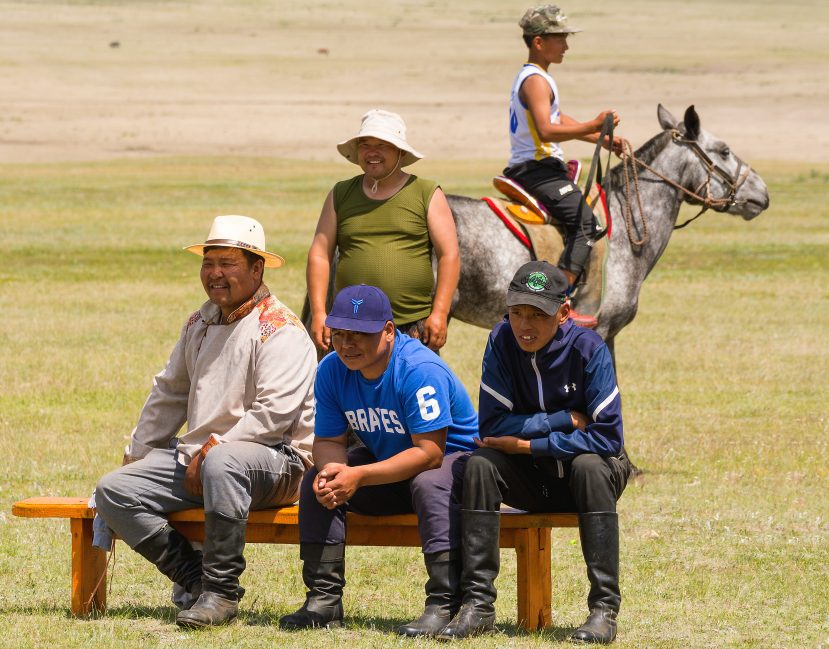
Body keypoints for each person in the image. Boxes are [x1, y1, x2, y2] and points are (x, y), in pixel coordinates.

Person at [93, 215, 316, 630]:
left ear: (256, 268)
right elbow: (170, 393)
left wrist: (214, 450)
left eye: (228, 263)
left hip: (279, 462)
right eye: (209, 262)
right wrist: (138, 454)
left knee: (223, 464)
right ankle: (196, 580)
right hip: (201, 459)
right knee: (114, 490)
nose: (215, 273)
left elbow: (274, 415)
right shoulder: (200, 322)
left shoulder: (280, 328)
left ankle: (222, 592)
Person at [439, 261, 630, 644]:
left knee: (591, 466)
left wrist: (529, 444)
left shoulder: (589, 348)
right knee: (479, 464)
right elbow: (492, 427)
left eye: (537, 315)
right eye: (516, 313)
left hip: (586, 479)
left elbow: (608, 438)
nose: (524, 325)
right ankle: (478, 606)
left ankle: (603, 611)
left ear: (562, 313)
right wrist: (561, 419)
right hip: (530, 475)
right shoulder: (500, 340)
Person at [280, 284, 478, 638]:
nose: (346, 344)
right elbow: (327, 440)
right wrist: (333, 471)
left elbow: (431, 453)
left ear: (389, 331)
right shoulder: (331, 370)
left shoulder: (418, 369)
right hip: (391, 465)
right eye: (339, 334)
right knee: (318, 481)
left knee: (428, 482)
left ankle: (443, 604)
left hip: (454, 467)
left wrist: (359, 475)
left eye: (359, 335)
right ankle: (324, 600)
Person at [504, 5, 624, 328]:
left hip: (539, 166)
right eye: (560, 39)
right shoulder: (535, 81)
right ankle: (557, 297)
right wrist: (593, 123)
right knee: (587, 224)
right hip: (537, 169)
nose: (566, 46)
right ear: (539, 42)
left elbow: (557, 121)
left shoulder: (538, 78)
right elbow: (546, 129)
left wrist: (599, 135)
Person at [307, 109, 460, 353]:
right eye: (365, 144)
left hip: (411, 326)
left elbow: (449, 254)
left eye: (382, 145)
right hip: (350, 325)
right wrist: (318, 313)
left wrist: (440, 313)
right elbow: (319, 253)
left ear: (400, 151)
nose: (372, 152)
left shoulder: (426, 192)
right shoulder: (341, 193)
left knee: (408, 390)